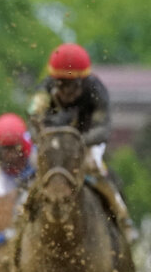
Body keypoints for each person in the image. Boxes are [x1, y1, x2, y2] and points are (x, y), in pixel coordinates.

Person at [27, 42, 138, 243]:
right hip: (53, 142)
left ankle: (123, 218)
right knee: (34, 169)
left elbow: (103, 128)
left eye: (72, 85)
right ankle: (20, 217)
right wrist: (44, 135)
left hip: (87, 143)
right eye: (61, 84)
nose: (66, 91)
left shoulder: (96, 90)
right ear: (54, 80)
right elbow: (33, 118)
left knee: (96, 168)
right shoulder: (43, 90)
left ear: (83, 80)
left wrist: (77, 141)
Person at [0, 112, 36, 253]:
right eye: (6, 149)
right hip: (5, 178)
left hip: (28, 177)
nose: (11, 154)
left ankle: (17, 232)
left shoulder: (33, 149)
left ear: (22, 144)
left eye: (14, 148)